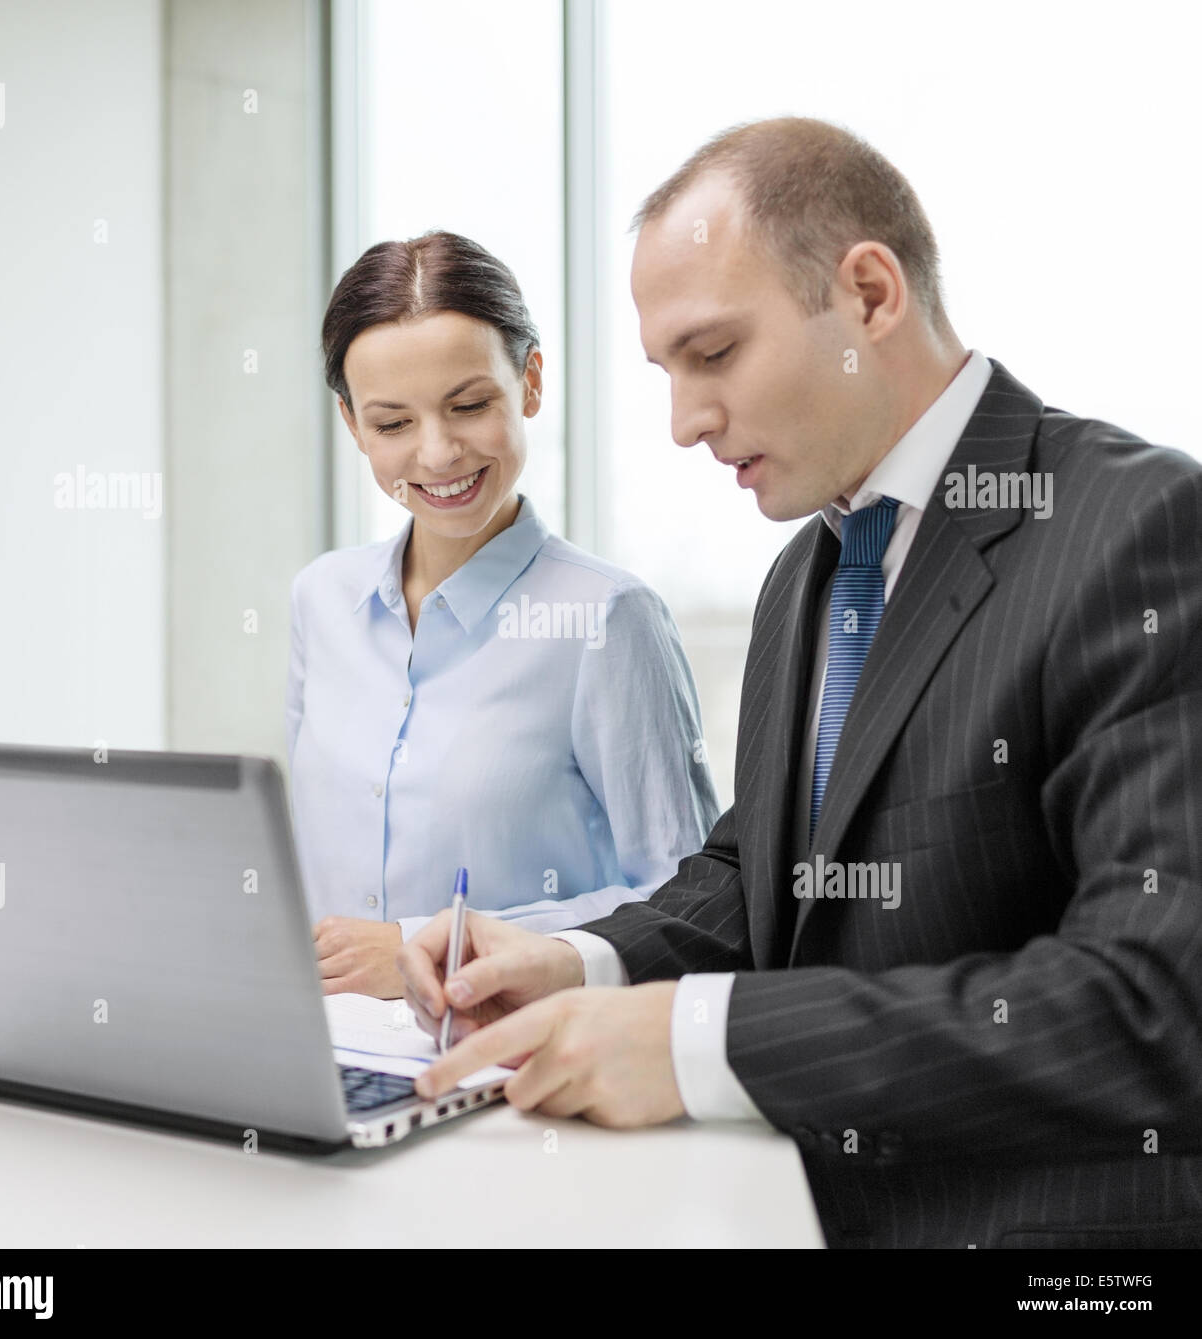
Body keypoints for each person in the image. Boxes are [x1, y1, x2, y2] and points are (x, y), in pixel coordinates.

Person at [398, 119, 1202, 1248]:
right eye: (666, 373)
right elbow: (766, 869)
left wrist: (696, 1040)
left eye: (713, 354)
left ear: (868, 294)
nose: (684, 422)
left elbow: (1153, 1006)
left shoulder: (1136, 528)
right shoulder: (805, 574)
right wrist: (587, 960)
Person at [287, 230, 720, 1000]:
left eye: (469, 405)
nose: (439, 452)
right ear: (352, 425)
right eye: (392, 424)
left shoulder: (609, 619)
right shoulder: (322, 600)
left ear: (529, 382)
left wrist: (432, 947)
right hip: (321, 1054)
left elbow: (691, 904)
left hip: (513, 1063)